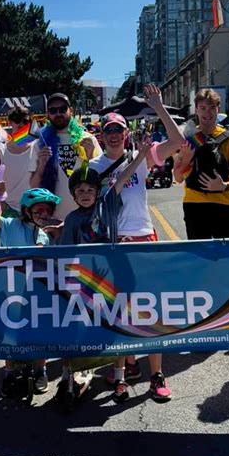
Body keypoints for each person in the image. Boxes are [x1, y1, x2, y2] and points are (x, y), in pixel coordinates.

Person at [89, 84, 184, 403]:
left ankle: (156, 373)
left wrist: (159, 107)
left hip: (145, 238)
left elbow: (177, 142)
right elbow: (107, 195)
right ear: (101, 135)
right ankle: (124, 368)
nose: (114, 135)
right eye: (108, 130)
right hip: (115, 243)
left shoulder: (140, 156)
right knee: (119, 310)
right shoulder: (95, 167)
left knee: (150, 309)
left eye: (118, 129)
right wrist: (140, 157)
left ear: (126, 133)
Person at [57, 139, 153, 401]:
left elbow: (123, 177)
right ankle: (68, 375)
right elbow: (66, 253)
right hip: (85, 283)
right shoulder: (73, 219)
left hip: (112, 280)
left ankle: (120, 377)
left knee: (115, 326)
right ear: (74, 196)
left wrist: (141, 155)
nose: (86, 194)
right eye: (80, 191)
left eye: (90, 189)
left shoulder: (108, 203)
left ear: (98, 192)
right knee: (77, 327)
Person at [0, 187, 61, 396]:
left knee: (40, 329)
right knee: (10, 332)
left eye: (47, 211)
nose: (43, 215)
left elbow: (43, 251)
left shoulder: (43, 235)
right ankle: (9, 371)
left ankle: (41, 370)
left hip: (36, 289)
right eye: (38, 210)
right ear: (27, 210)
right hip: (11, 288)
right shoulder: (10, 224)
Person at [174, 89, 229, 240]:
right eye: (203, 108)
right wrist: (186, 159)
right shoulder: (187, 137)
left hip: (225, 206)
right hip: (194, 206)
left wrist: (223, 186)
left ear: (218, 109)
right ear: (196, 110)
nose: (208, 112)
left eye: (212, 107)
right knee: (200, 259)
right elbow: (178, 178)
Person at [30, 93, 101, 221]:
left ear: (71, 111)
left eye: (63, 109)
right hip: (52, 217)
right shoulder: (40, 143)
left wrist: (89, 157)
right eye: (53, 110)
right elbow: (33, 186)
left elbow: (99, 178)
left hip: (86, 216)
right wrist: (41, 164)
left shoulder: (88, 139)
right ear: (48, 114)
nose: (58, 114)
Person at [0, 105, 40, 218]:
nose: (21, 124)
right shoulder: (0, 150)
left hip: (34, 209)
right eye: (17, 120)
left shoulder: (38, 146)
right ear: (10, 122)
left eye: (25, 121)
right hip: (10, 210)